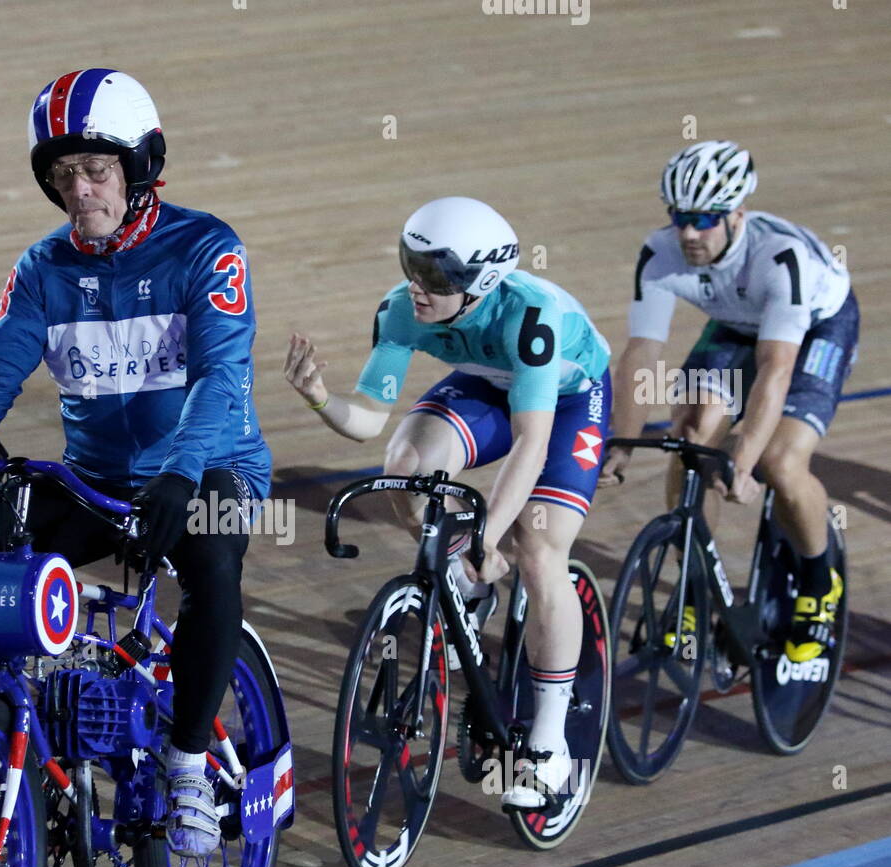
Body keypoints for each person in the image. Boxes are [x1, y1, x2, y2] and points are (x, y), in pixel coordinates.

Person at [0, 68, 271, 858]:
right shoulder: (43, 269)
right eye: (63, 177)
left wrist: (179, 477)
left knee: (213, 557)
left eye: (95, 171)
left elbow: (223, 378)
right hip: (95, 482)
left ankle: (187, 761)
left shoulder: (207, 249)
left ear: (141, 167)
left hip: (206, 467)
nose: (79, 192)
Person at [286, 197, 612, 811]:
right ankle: (470, 580)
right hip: (486, 383)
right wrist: (320, 399)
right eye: (414, 266)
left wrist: (493, 531)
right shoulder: (402, 309)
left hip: (566, 403)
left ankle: (550, 739)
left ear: (482, 283)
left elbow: (531, 440)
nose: (419, 287)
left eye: (437, 277)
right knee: (406, 473)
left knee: (539, 551)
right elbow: (367, 421)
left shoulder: (530, 316)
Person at [599, 141, 856, 665]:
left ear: (737, 213)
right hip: (741, 323)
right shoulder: (660, 252)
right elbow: (641, 353)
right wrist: (619, 446)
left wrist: (745, 454)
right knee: (690, 437)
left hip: (814, 331)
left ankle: (818, 578)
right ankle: (693, 591)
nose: (689, 233)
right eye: (679, 217)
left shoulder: (779, 259)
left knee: (779, 461)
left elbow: (776, 367)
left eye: (704, 219)